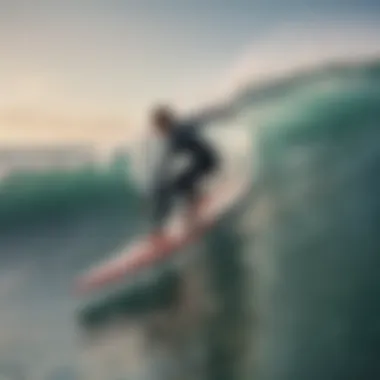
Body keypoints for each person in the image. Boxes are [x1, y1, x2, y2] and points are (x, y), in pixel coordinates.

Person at [149, 104, 223, 240]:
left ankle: (197, 219)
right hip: (209, 160)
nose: (158, 130)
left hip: (207, 162)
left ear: (165, 123)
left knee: (178, 184)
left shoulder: (176, 134)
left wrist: (159, 181)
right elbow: (200, 119)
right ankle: (197, 205)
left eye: (158, 126)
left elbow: (167, 160)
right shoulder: (180, 127)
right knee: (182, 183)